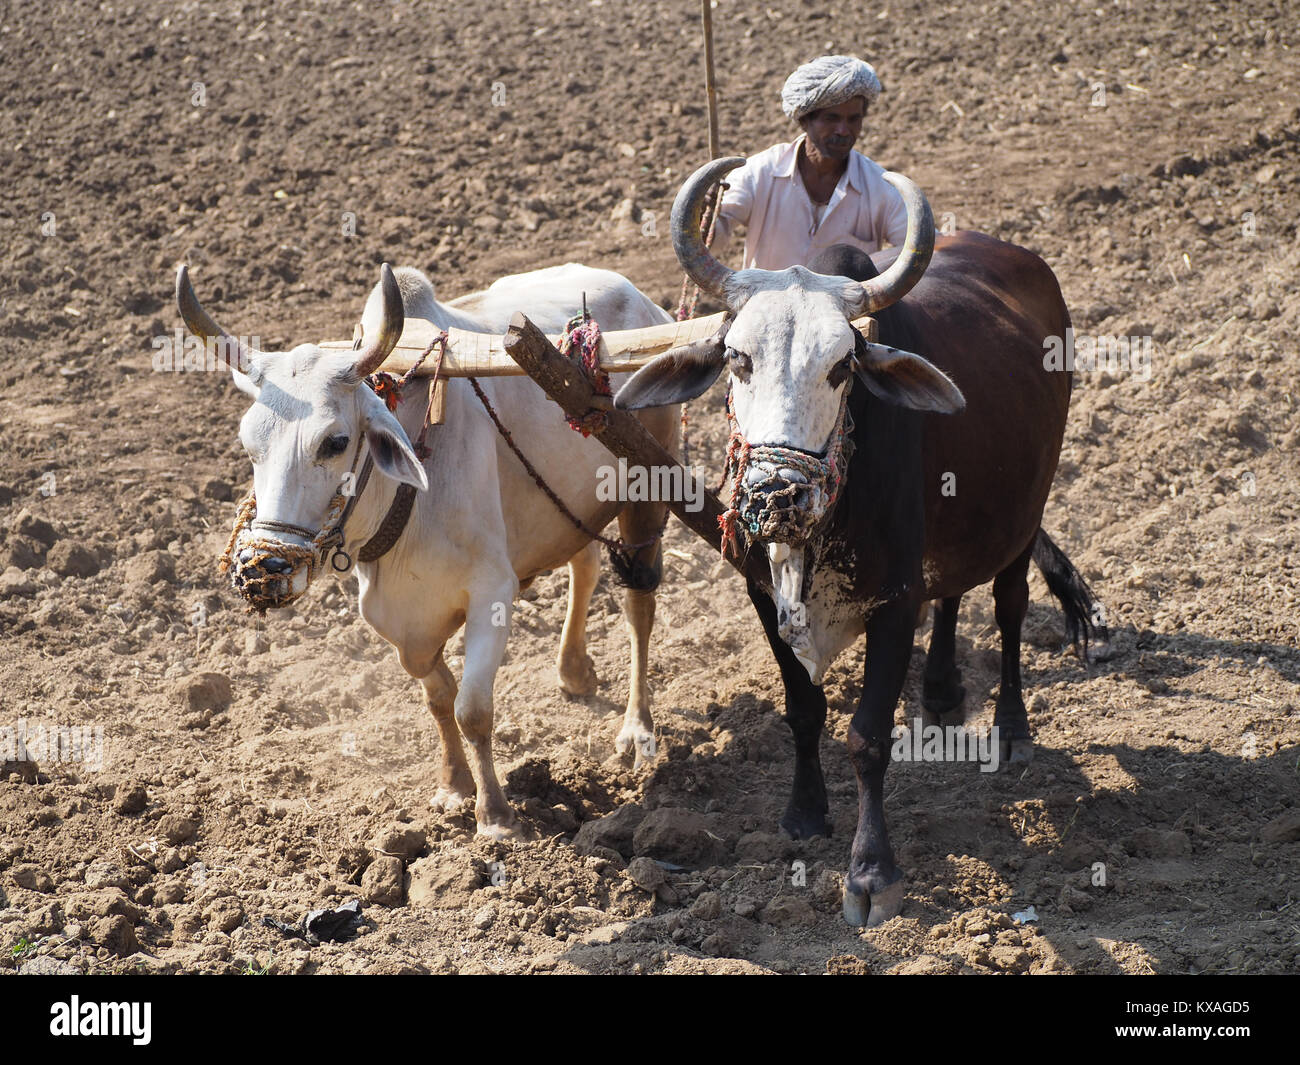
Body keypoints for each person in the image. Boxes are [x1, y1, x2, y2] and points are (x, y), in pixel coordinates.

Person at [711, 55, 908, 273]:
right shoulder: (760, 172)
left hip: (846, 307)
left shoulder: (880, 188)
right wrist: (705, 216)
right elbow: (714, 241)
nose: (843, 130)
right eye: (831, 118)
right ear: (805, 120)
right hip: (768, 304)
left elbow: (917, 250)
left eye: (853, 119)